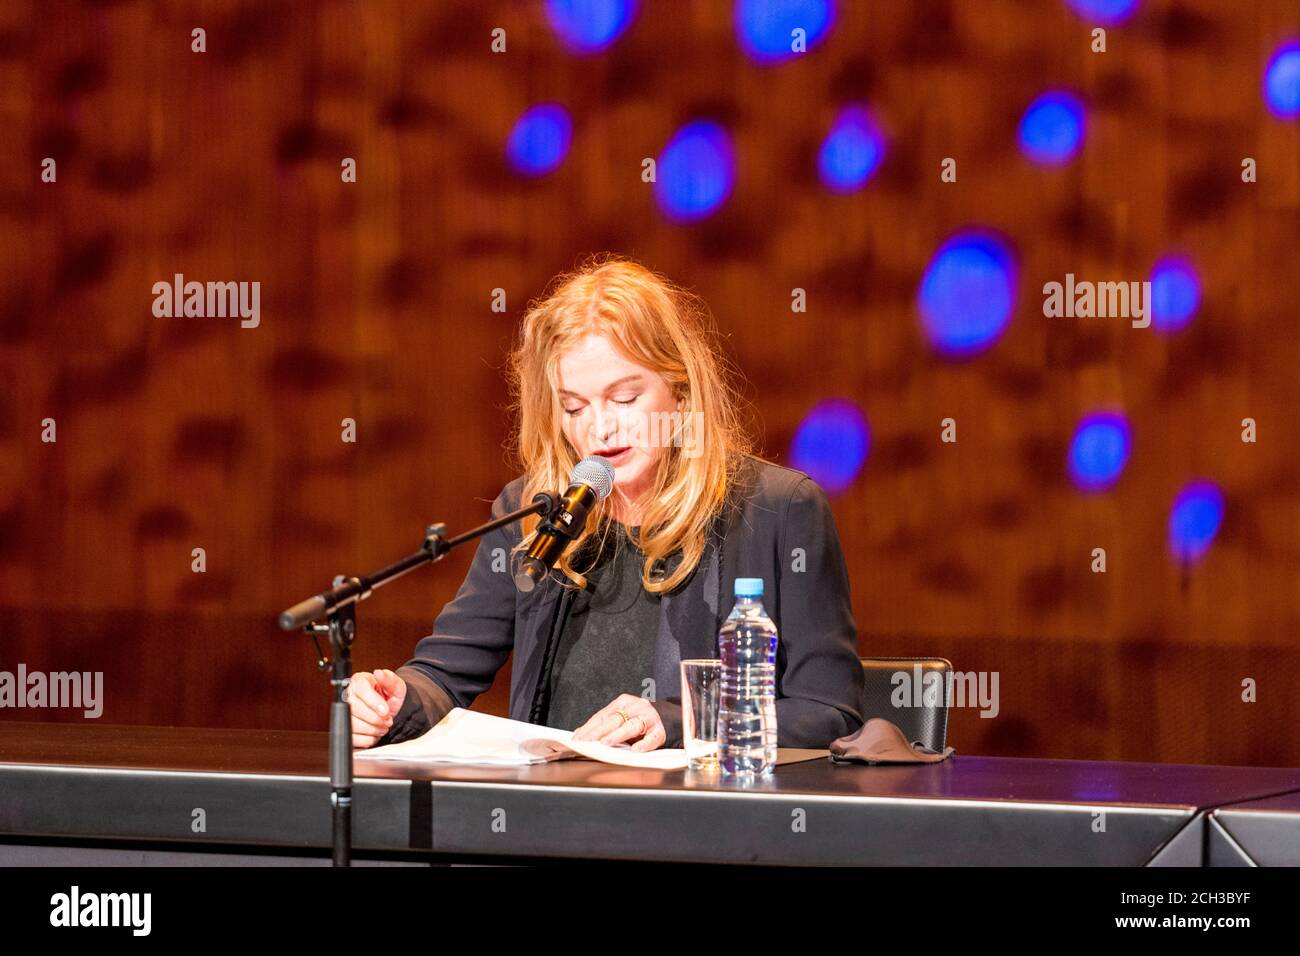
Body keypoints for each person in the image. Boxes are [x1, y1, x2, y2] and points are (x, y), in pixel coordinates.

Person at [350, 257, 864, 752]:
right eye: (574, 406)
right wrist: (395, 701)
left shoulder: (777, 509)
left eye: (624, 398)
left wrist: (675, 721)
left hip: (699, 824)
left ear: (680, 393)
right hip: (547, 819)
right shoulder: (534, 511)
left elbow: (827, 712)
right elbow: (444, 673)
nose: (599, 427)